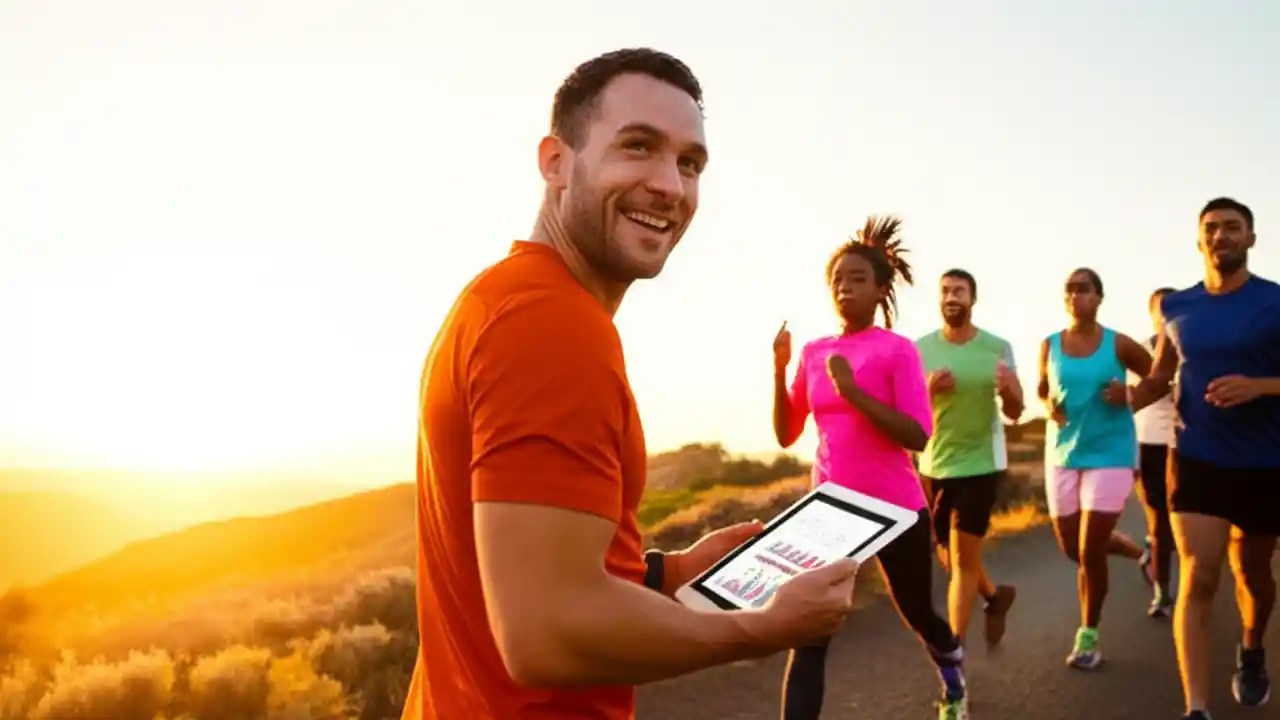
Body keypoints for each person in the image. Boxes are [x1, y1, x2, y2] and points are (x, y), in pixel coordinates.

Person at [400, 48, 861, 720]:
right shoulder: (549, 323)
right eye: (638, 147)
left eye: (690, 163)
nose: (670, 186)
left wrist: (669, 574)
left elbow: (521, 566)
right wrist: (757, 630)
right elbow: (545, 632)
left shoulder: (503, 299)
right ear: (556, 162)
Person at [773, 216, 970, 720]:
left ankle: (952, 675)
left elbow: (917, 434)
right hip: (831, 508)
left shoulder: (897, 351)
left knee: (917, 611)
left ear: (881, 288)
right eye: (837, 280)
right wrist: (779, 370)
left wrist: (854, 393)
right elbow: (786, 432)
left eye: (857, 279)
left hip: (895, 507)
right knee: (811, 633)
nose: (844, 288)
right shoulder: (817, 353)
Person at [1130, 197, 1280, 720]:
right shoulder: (1178, 308)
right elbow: (1158, 377)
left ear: (1251, 239)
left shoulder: (1275, 302)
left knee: (1253, 574)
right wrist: (1123, 399)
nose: (1221, 237)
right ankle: (1196, 708)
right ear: (1199, 241)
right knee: (1200, 575)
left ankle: (1253, 645)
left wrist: (1259, 387)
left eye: (1232, 228)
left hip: (1265, 461)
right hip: (1196, 455)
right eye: (1212, 229)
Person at [1037, 267, 1152, 670]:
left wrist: (1131, 393)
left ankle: (1088, 636)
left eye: (1083, 289)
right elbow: (1042, 389)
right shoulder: (1049, 345)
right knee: (1073, 549)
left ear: (1099, 297)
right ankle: (1143, 555)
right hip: (1063, 455)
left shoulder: (1118, 344)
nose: (1075, 295)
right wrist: (1048, 405)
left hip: (1111, 453)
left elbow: (1159, 378)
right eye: (1069, 289)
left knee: (1089, 551)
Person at [916, 269, 1022, 647]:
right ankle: (994, 597)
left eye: (959, 291)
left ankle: (954, 658)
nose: (951, 297)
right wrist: (927, 390)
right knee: (948, 557)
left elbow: (1015, 410)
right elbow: (911, 414)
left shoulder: (996, 347)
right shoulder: (920, 350)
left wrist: (1009, 389)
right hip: (934, 466)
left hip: (981, 464)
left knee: (961, 565)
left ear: (972, 299)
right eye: (945, 290)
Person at [1130, 286, 1180, 619]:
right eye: (1161, 310)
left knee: (1183, 525)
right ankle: (1162, 593)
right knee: (1161, 523)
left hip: (1188, 446)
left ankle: (1154, 551)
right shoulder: (1140, 352)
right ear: (1151, 315)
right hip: (1149, 446)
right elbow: (1133, 401)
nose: (1167, 317)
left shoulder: (1196, 349)